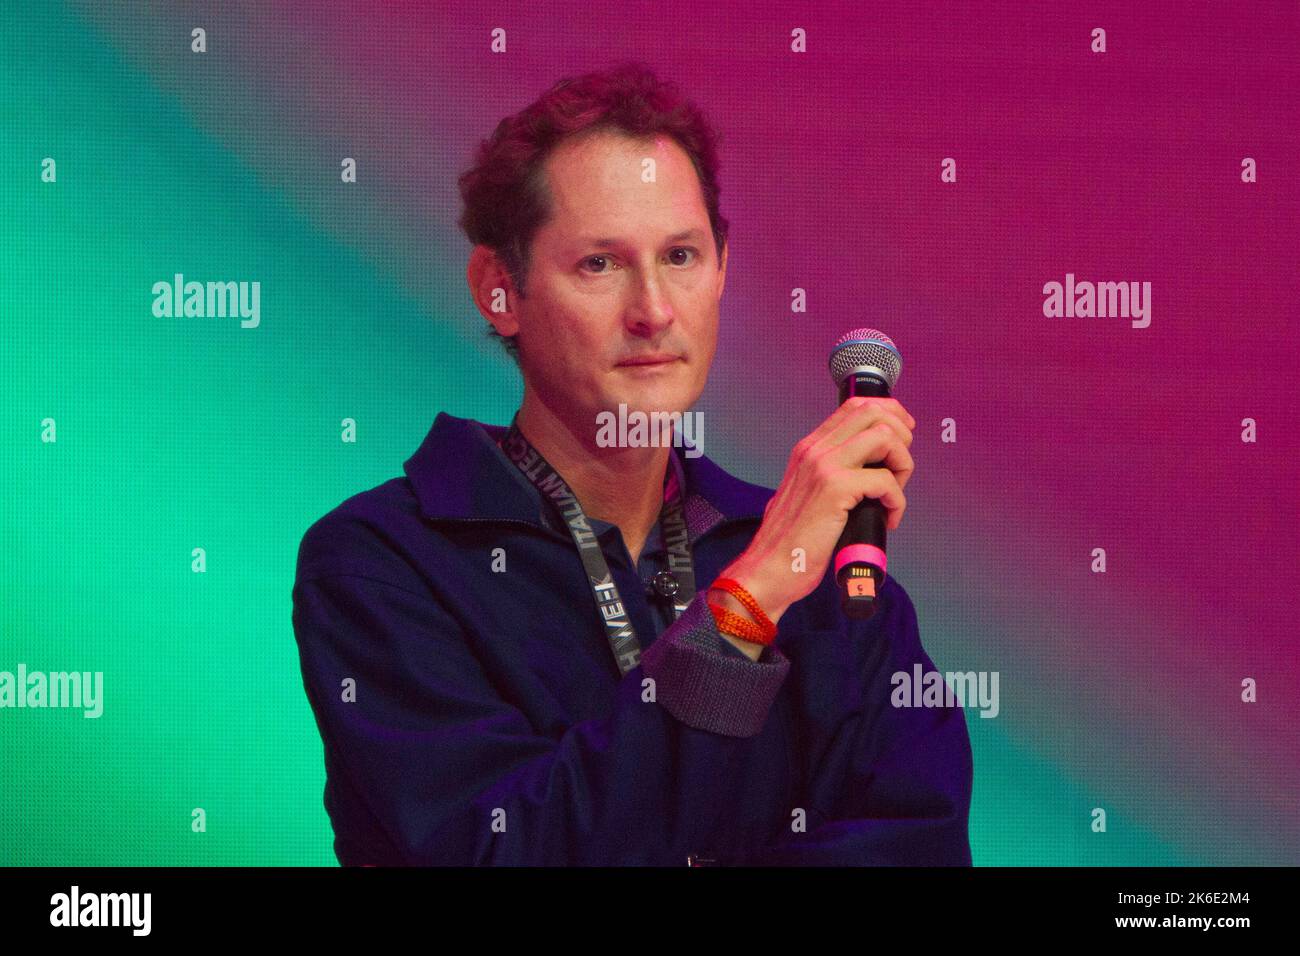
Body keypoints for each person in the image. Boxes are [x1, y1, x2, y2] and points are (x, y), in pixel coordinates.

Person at [291, 62, 973, 866]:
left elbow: (915, 849)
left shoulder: (834, 572)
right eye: (600, 265)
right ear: (498, 289)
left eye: (681, 257)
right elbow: (500, 852)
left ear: (723, 265)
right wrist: (745, 605)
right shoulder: (384, 562)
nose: (653, 311)